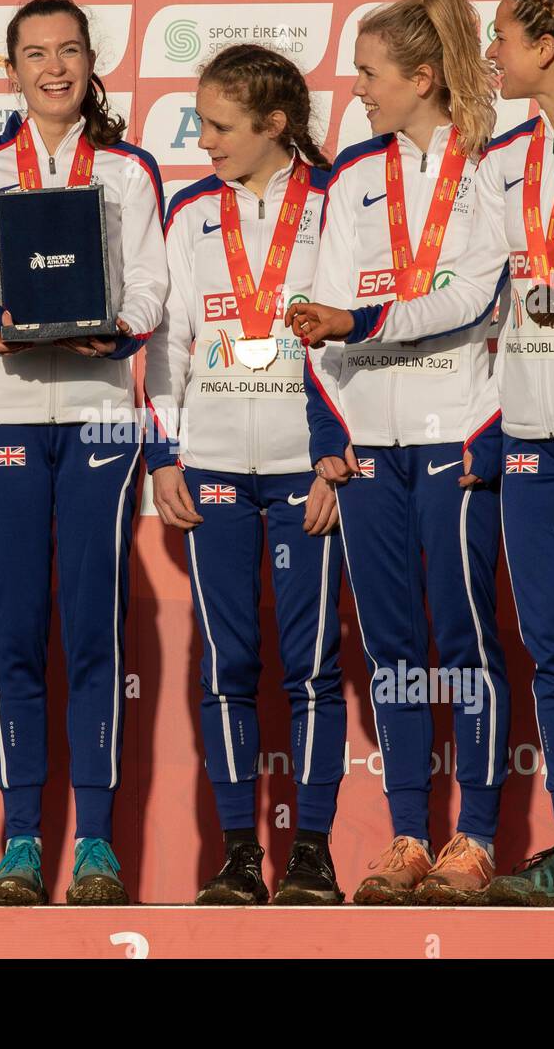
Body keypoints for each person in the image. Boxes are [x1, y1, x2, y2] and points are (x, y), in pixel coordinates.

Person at [289, 0, 554, 906]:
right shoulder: (504, 158)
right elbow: (475, 289)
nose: (492, 59)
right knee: (553, 642)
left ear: (548, 49)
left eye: (506, 42)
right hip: (528, 433)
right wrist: (359, 323)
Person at [0, 0, 169, 906]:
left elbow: (153, 285)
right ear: (11, 67)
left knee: (95, 628)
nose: (55, 68)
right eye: (35, 53)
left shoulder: (127, 167)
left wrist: (118, 331)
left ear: (90, 56)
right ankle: (24, 840)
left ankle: (100, 846)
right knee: (16, 632)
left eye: (69, 49)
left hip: (103, 414)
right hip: (5, 415)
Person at [300, 0, 510, 906]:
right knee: (390, 646)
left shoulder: (492, 169)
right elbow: (314, 313)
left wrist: (357, 320)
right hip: (370, 446)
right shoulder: (352, 176)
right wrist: (329, 431)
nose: (355, 90)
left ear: (422, 77)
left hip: (457, 431)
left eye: (369, 74)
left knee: (462, 642)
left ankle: (480, 836)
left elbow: (475, 298)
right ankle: (407, 838)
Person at [143, 44, 346, 905]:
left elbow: (351, 339)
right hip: (215, 463)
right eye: (200, 122)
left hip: (311, 467)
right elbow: (168, 341)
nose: (205, 140)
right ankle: (235, 853)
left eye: (221, 126)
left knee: (312, 666)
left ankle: (312, 853)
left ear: (275, 125)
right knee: (226, 662)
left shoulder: (337, 204)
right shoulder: (191, 212)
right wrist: (163, 451)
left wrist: (340, 454)